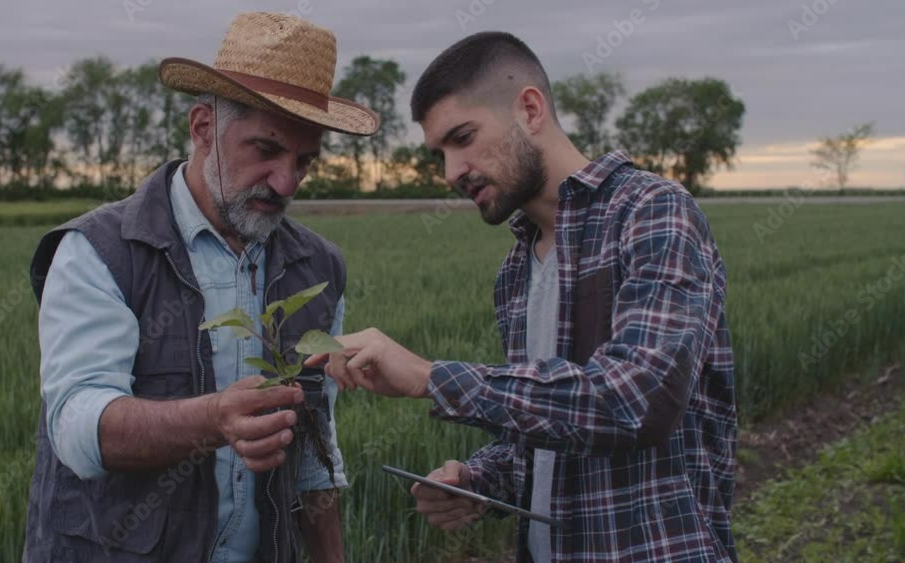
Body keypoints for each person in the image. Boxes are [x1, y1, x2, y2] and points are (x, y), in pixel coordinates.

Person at [310, 31, 737, 562]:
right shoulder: (515, 271)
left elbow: (637, 401)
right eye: (440, 153)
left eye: (462, 137)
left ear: (529, 109)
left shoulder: (651, 213)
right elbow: (548, 435)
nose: (450, 172)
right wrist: (479, 480)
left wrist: (430, 376)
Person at [24, 13, 379, 563]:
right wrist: (214, 419)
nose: (286, 183)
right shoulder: (102, 250)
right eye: (265, 149)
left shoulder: (319, 268)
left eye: (303, 162)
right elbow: (77, 427)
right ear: (203, 127)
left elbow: (314, 446)